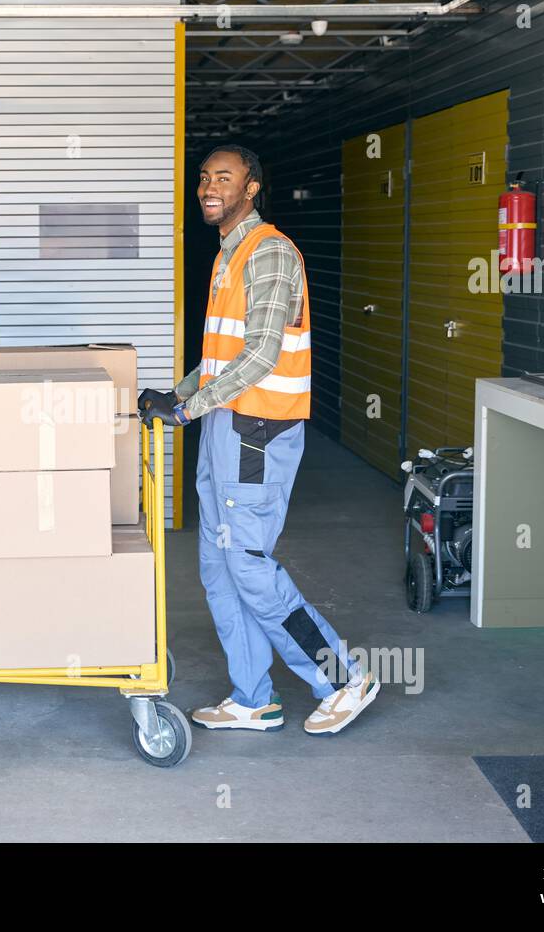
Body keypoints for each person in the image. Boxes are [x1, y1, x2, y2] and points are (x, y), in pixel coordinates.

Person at [138, 145, 379, 735]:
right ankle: (253, 697)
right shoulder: (227, 256)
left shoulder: (268, 251)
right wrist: (177, 396)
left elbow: (263, 354)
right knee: (219, 568)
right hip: (227, 426)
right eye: (203, 178)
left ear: (252, 187)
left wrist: (191, 407)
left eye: (224, 177)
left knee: (247, 563)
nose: (208, 187)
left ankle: (343, 677)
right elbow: (221, 356)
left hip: (259, 433)